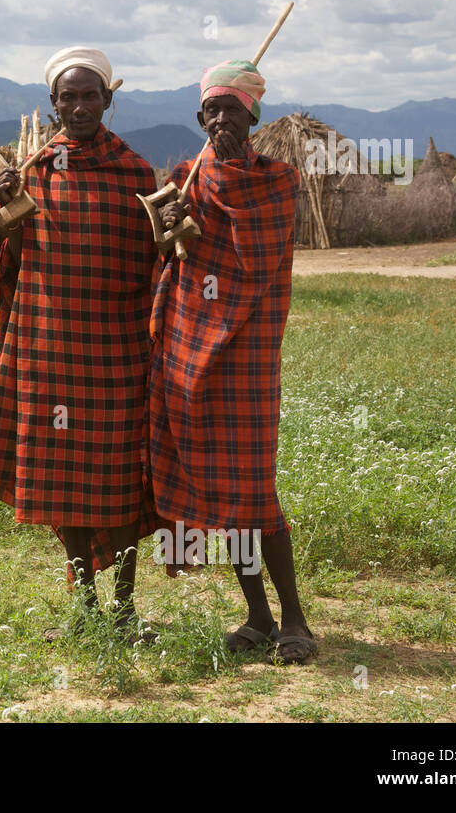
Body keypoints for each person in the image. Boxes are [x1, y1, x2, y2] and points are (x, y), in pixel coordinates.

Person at [0, 46, 159, 642]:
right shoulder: (30, 175)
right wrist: (7, 214)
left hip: (119, 353)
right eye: (67, 97)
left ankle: (125, 608)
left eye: (89, 95)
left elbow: (158, 267)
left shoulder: (137, 176)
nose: (78, 106)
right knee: (62, 480)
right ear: (53, 103)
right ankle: (84, 605)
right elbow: (7, 269)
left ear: (109, 99)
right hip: (50, 350)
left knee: (121, 479)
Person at [150, 58, 317, 664]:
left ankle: (295, 619)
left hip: (246, 351)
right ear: (200, 118)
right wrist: (170, 228)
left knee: (254, 489)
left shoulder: (277, 181)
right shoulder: (182, 180)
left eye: (233, 109)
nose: (223, 118)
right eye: (213, 110)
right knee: (222, 490)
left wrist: (199, 228)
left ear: (254, 115)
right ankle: (257, 616)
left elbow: (259, 257)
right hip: (190, 348)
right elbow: (170, 259)